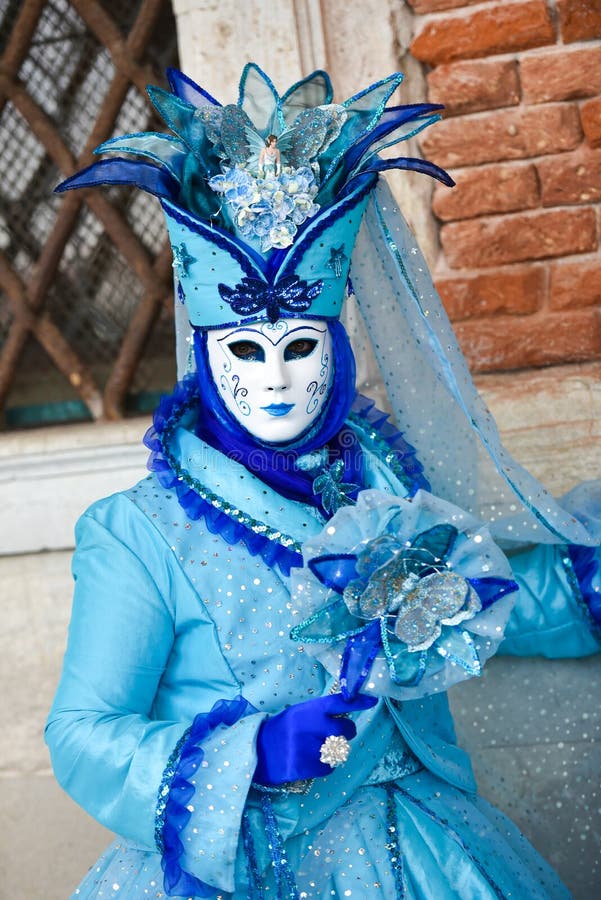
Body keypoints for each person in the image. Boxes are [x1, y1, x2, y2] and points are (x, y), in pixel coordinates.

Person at [47, 63, 601, 899]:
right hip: (250, 860)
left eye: (299, 346)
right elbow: (81, 733)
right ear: (204, 354)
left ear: (335, 350)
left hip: (417, 846)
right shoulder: (138, 530)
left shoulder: (378, 476)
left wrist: (575, 591)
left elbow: (444, 605)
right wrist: (251, 754)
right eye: (243, 350)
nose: (273, 379)